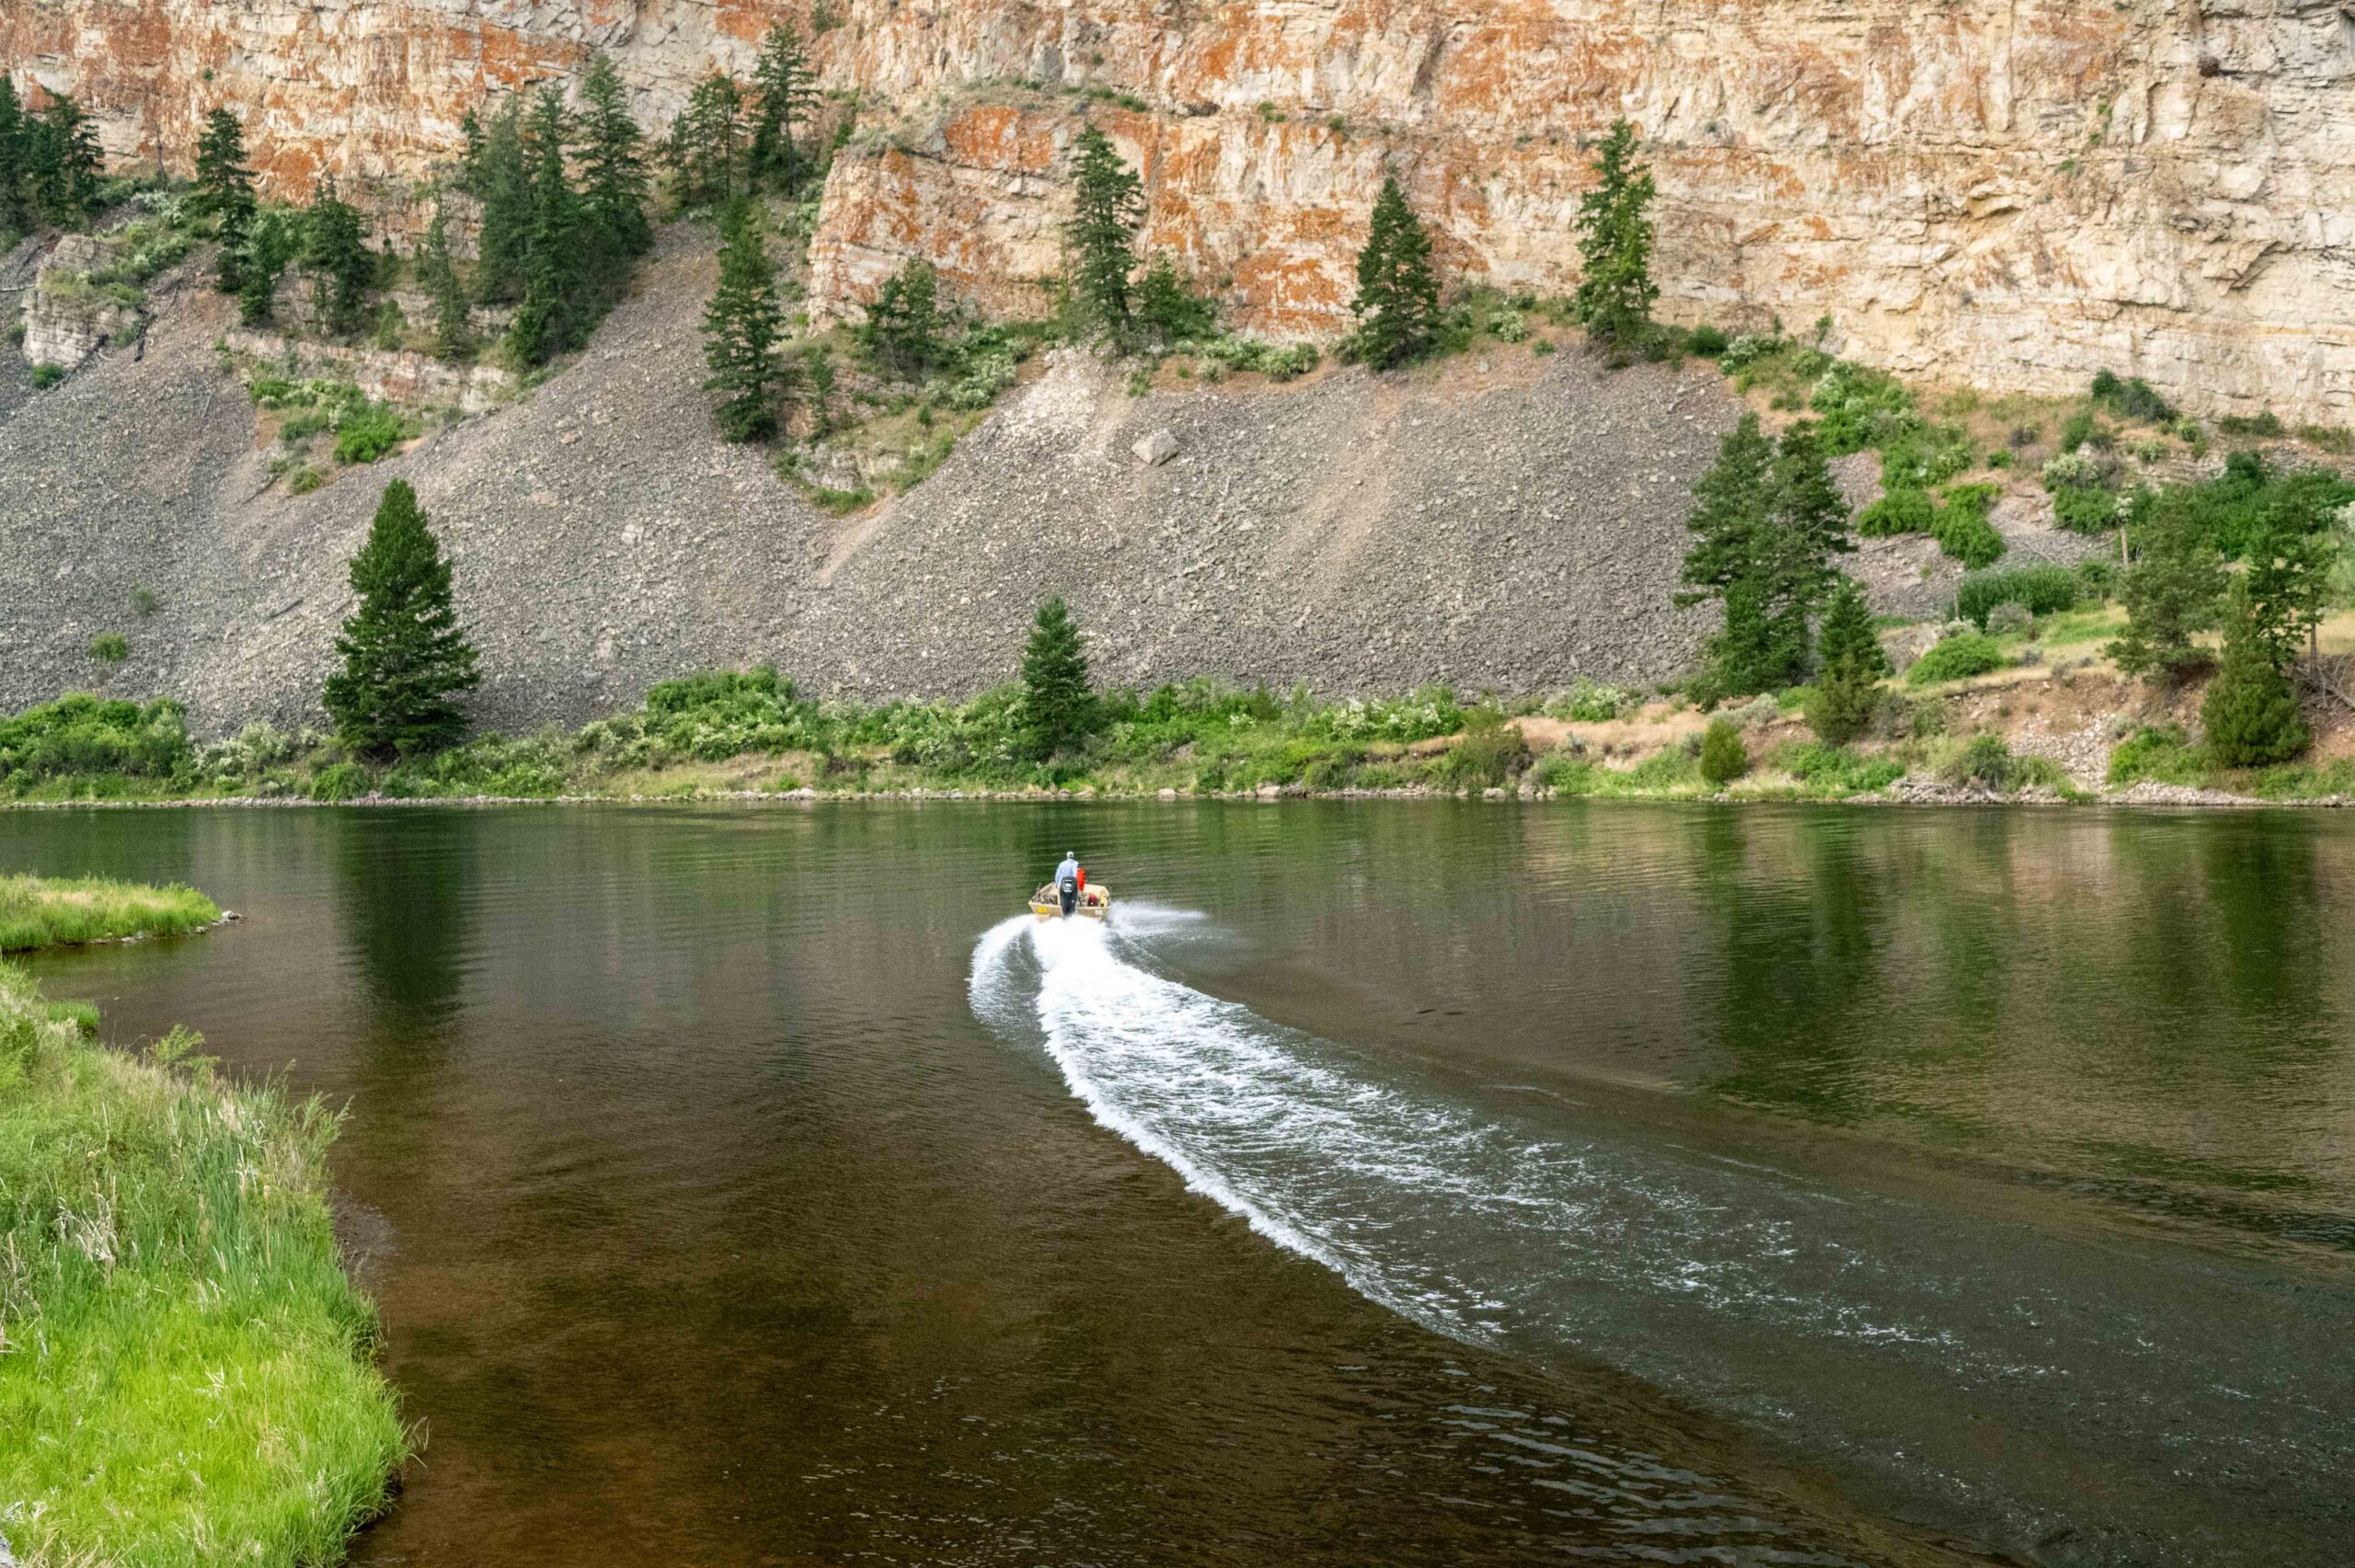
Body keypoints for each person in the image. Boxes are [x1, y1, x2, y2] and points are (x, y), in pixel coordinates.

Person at [1052, 851, 1080, 915]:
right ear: (1073, 856)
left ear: (1067, 856)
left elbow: (1057, 875)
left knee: (1060, 900)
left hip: (1061, 884)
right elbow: (1075, 875)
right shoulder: (1076, 864)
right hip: (1072, 885)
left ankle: (1059, 911)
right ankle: (1073, 911)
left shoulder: (1062, 864)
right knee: (1073, 899)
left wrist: (1056, 884)